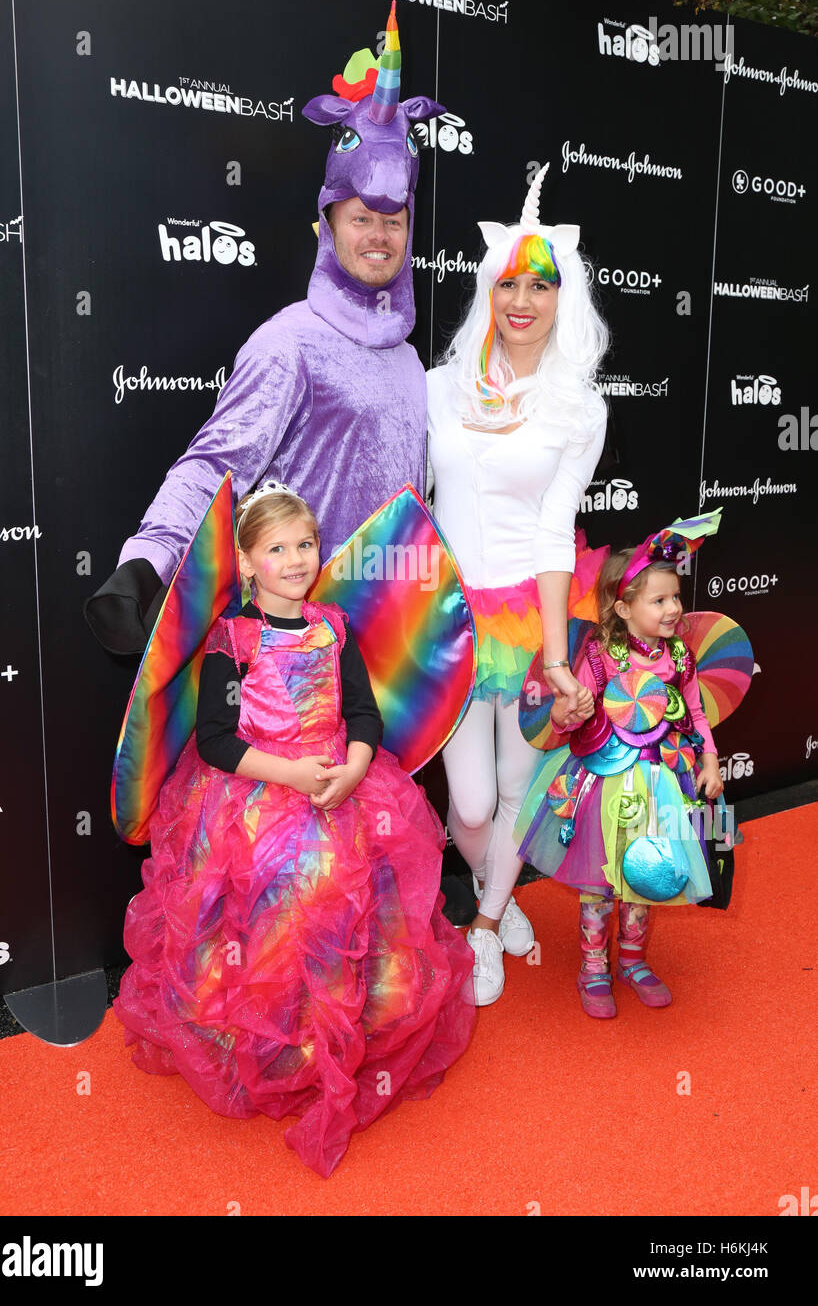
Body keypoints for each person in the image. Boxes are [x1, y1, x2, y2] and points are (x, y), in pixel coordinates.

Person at [113, 483, 475, 1178]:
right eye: (276, 549)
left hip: (339, 787)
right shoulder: (231, 641)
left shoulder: (333, 628)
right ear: (246, 563)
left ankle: (334, 1032)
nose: (295, 559)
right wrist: (288, 775)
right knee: (277, 902)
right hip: (255, 796)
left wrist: (353, 766)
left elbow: (364, 715)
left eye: (304, 545)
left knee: (342, 902)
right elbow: (217, 740)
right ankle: (270, 1040)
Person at [84, 4, 442, 657]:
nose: (379, 235)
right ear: (329, 224)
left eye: (394, 222)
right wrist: (147, 560)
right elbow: (216, 466)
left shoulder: (411, 363)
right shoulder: (290, 342)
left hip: (388, 651)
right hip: (292, 662)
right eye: (362, 217)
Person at [426, 164, 609, 1004]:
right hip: (447, 618)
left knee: (513, 789)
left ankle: (490, 923)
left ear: (564, 298)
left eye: (542, 284)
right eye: (510, 284)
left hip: (531, 617)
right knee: (467, 805)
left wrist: (555, 654)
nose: (524, 299)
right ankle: (494, 884)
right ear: (487, 294)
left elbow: (551, 530)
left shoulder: (580, 407)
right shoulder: (436, 391)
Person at [514, 515, 723, 1018]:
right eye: (659, 600)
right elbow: (566, 718)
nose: (674, 608)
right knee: (599, 881)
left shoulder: (681, 658)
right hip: (602, 782)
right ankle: (593, 967)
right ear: (624, 607)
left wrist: (711, 757)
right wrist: (571, 710)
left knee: (646, 873)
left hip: (660, 782)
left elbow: (694, 713)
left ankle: (632, 960)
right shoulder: (600, 657)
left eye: (676, 597)